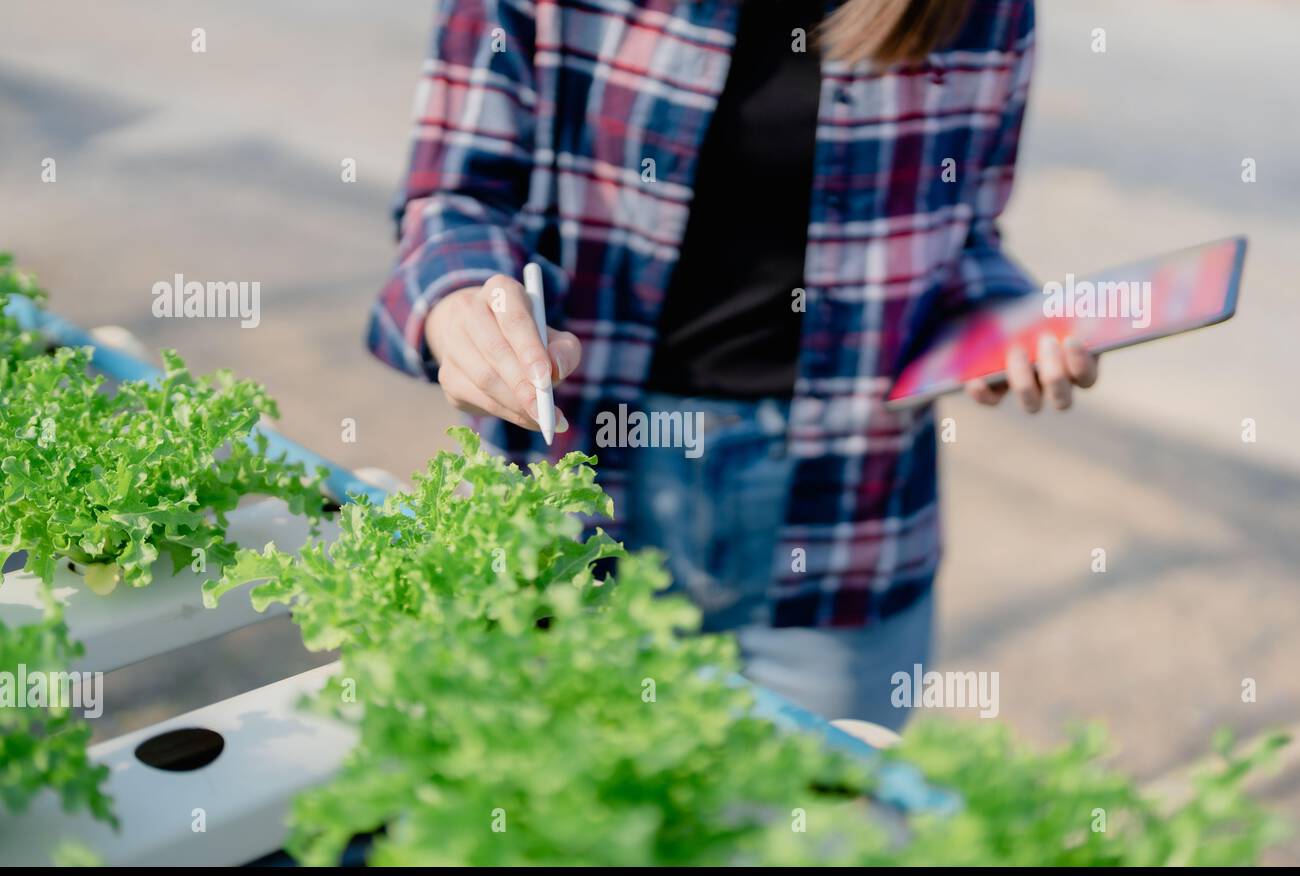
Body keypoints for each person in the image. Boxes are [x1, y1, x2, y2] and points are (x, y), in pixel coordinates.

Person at [366, 0, 1098, 729]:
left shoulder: (985, 10)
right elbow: (456, 196)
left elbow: (961, 232)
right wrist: (459, 305)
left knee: (824, 827)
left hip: (846, 510)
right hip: (589, 474)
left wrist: (1008, 322)